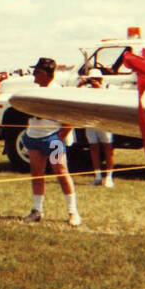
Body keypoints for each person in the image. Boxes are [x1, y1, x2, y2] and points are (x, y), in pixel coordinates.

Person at [22, 58, 81, 227]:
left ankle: (73, 212)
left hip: (53, 139)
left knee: (61, 172)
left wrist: (62, 135)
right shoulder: (34, 91)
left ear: (46, 73)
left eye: (37, 72)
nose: (34, 75)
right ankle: (37, 210)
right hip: (34, 138)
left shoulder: (58, 92)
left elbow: (71, 116)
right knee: (36, 173)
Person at [83, 69, 116, 187]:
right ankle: (97, 176)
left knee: (108, 147)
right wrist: (81, 84)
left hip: (105, 122)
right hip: (90, 121)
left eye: (96, 79)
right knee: (93, 147)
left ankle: (109, 176)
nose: (94, 81)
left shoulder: (108, 88)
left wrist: (99, 88)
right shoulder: (86, 90)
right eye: (92, 79)